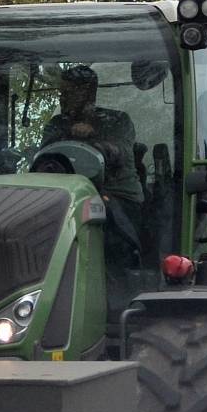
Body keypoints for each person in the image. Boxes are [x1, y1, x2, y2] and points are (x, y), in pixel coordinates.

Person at [38, 65, 144, 267]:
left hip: (117, 197)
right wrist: (67, 133)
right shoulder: (56, 125)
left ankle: (125, 269)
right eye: (62, 93)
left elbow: (119, 153)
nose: (62, 98)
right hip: (64, 198)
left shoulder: (118, 121)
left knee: (112, 232)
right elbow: (43, 158)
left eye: (69, 93)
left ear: (89, 93)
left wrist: (94, 137)